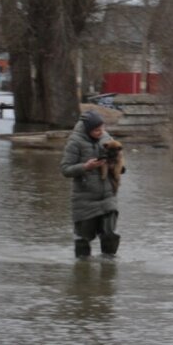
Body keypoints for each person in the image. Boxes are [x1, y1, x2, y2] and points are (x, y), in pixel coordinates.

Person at [60, 110, 121, 258]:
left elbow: (119, 162)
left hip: (107, 195)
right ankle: (82, 271)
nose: (101, 132)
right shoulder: (74, 142)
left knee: (110, 234)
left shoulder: (106, 138)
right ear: (87, 130)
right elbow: (65, 170)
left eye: (102, 128)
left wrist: (116, 166)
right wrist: (85, 167)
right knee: (83, 241)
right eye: (96, 130)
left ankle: (108, 269)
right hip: (84, 199)